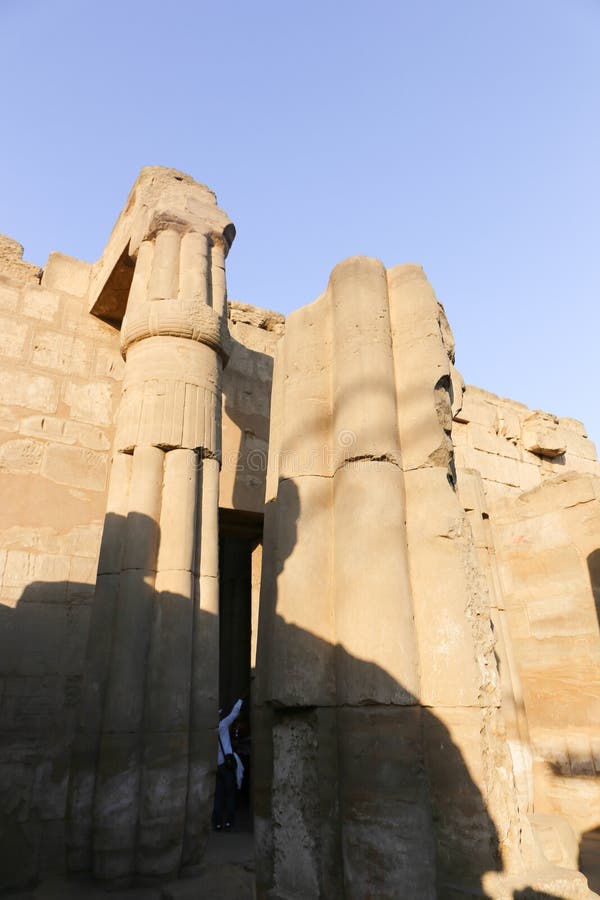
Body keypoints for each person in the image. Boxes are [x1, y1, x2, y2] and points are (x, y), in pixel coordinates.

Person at [213, 698, 244, 831]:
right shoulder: (223, 725)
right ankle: (229, 823)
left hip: (217, 766)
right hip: (227, 764)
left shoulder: (209, 731)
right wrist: (241, 700)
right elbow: (234, 713)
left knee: (218, 796)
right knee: (230, 794)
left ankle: (217, 823)